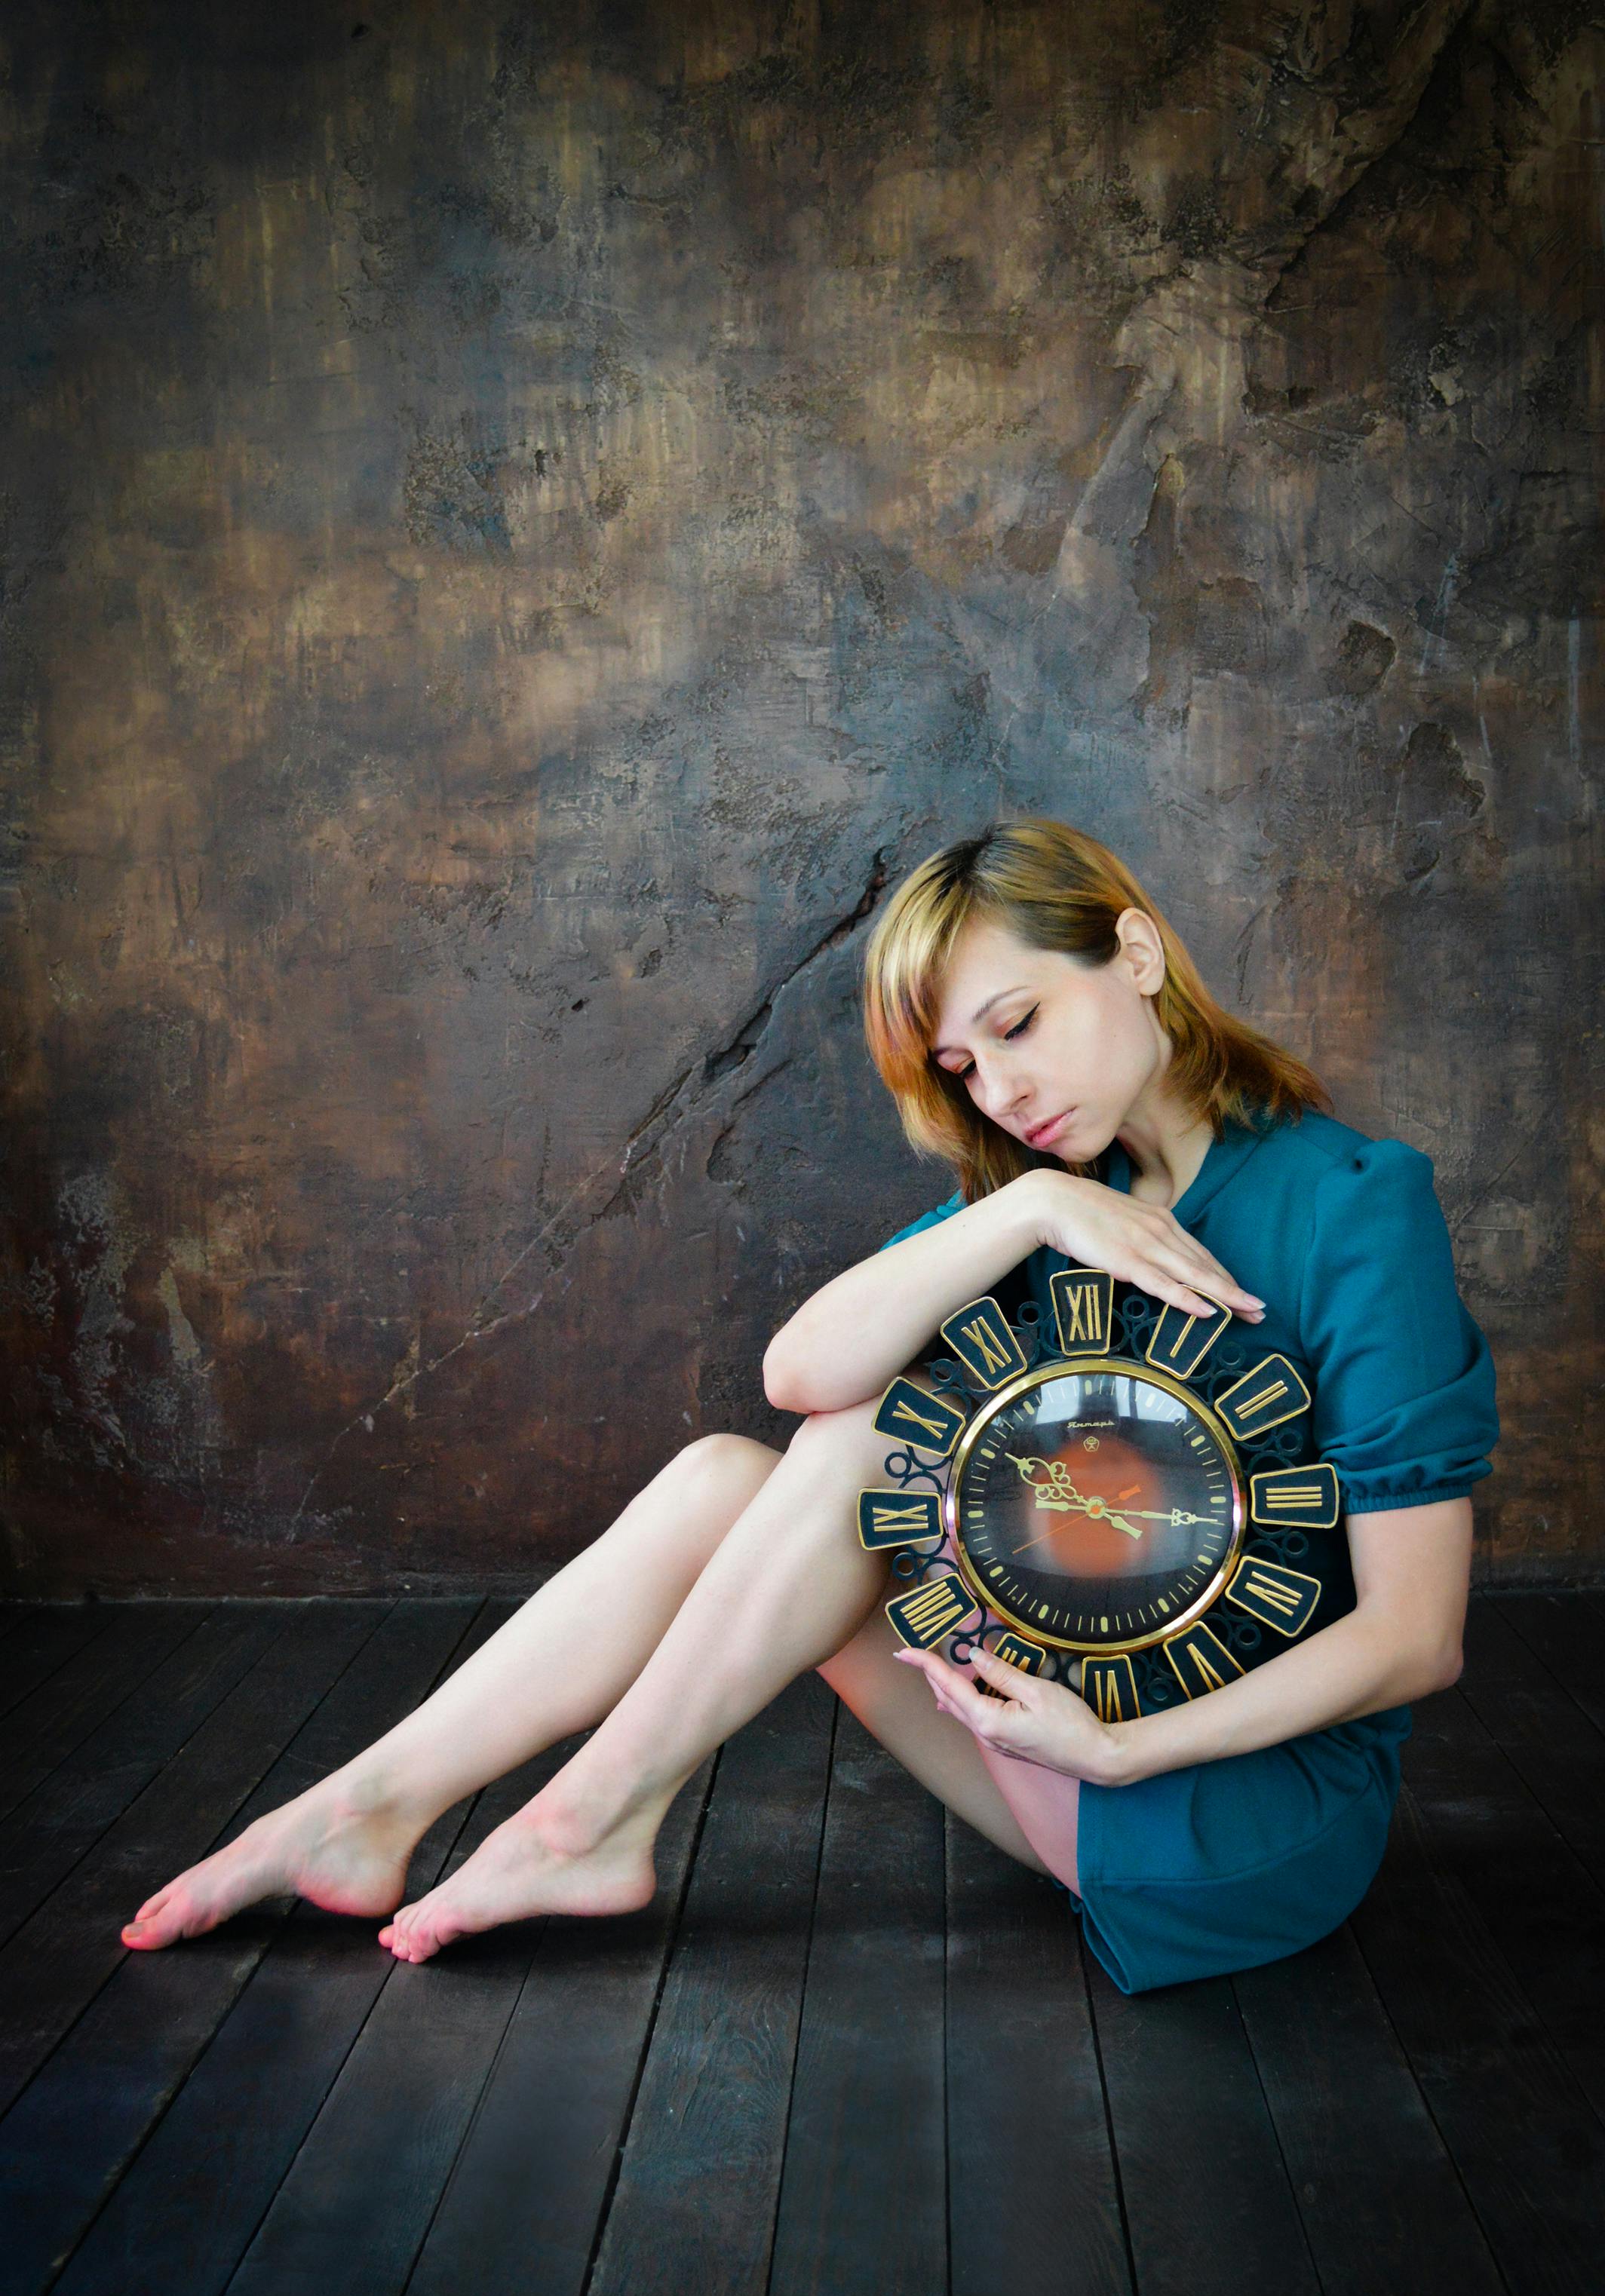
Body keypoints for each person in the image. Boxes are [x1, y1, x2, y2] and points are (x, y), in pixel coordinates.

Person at [120, 820, 1496, 1993]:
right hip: (1064, 1721)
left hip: (1232, 1804)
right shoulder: (1046, 1203)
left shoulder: (1355, 1208)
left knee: (866, 1448)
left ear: (1133, 956)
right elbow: (796, 1374)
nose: (1003, 1090)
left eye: (1017, 1024)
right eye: (962, 1069)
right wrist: (1026, 1206)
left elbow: (1417, 1638)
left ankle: (584, 1825)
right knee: (740, 1469)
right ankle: (370, 1809)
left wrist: (1121, 1745)